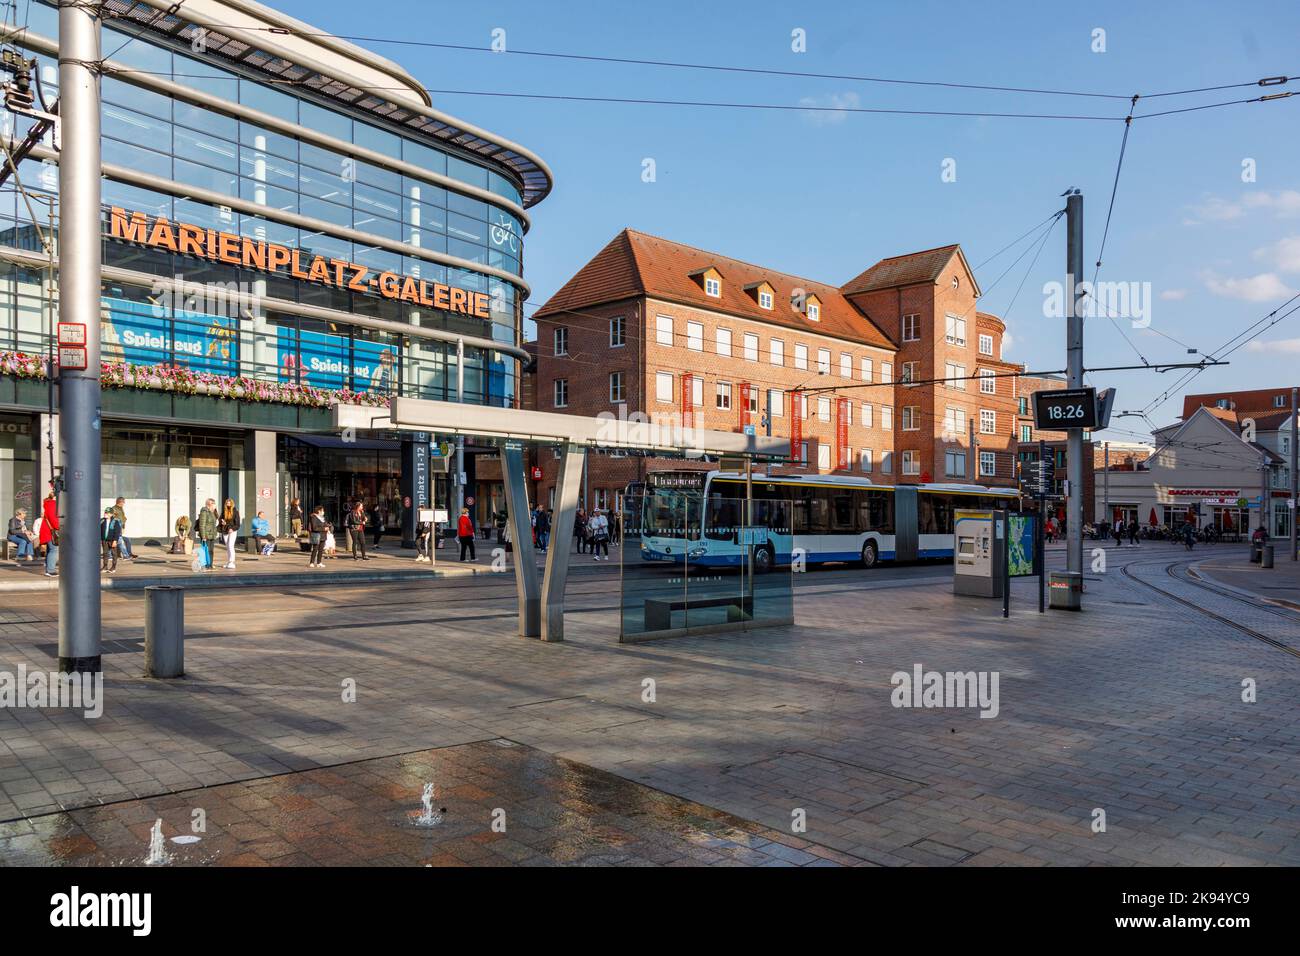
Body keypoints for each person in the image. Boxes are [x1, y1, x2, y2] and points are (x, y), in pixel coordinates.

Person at [39, 488, 58, 577]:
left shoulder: (49, 504)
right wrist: (60, 527)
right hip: (51, 531)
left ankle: (48, 569)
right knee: (54, 550)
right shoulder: (52, 504)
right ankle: (50, 570)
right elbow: (53, 519)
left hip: (48, 530)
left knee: (50, 550)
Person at [196, 498, 218, 571]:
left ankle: (210, 565)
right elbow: (202, 525)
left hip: (212, 534)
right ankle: (205, 566)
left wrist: (214, 510)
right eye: (214, 504)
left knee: (211, 551)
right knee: (205, 551)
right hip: (206, 535)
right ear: (210, 504)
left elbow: (216, 519)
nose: (215, 505)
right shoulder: (204, 511)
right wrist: (203, 536)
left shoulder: (212, 512)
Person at [218, 498, 241, 569]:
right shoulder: (224, 512)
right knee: (227, 546)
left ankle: (232, 562)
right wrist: (222, 522)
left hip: (232, 531)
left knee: (231, 545)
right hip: (225, 530)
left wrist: (232, 529)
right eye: (227, 503)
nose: (228, 504)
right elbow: (220, 520)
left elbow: (237, 524)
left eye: (229, 503)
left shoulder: (235, 512)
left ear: (232, 504)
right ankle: (228, 562)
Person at [99, 507, 122, 573]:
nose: (105, 513)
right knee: (105, 553)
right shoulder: (102, 520)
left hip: (112, 540)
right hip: (104, 540)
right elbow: (99, 530)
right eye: (105, 512)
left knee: (114, 553)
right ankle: (105, 566)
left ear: (111, 514)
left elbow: (117, 532)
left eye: (107, 513)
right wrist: (101, 539)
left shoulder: (115, 521)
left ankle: (113, 567)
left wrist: (115, 540)